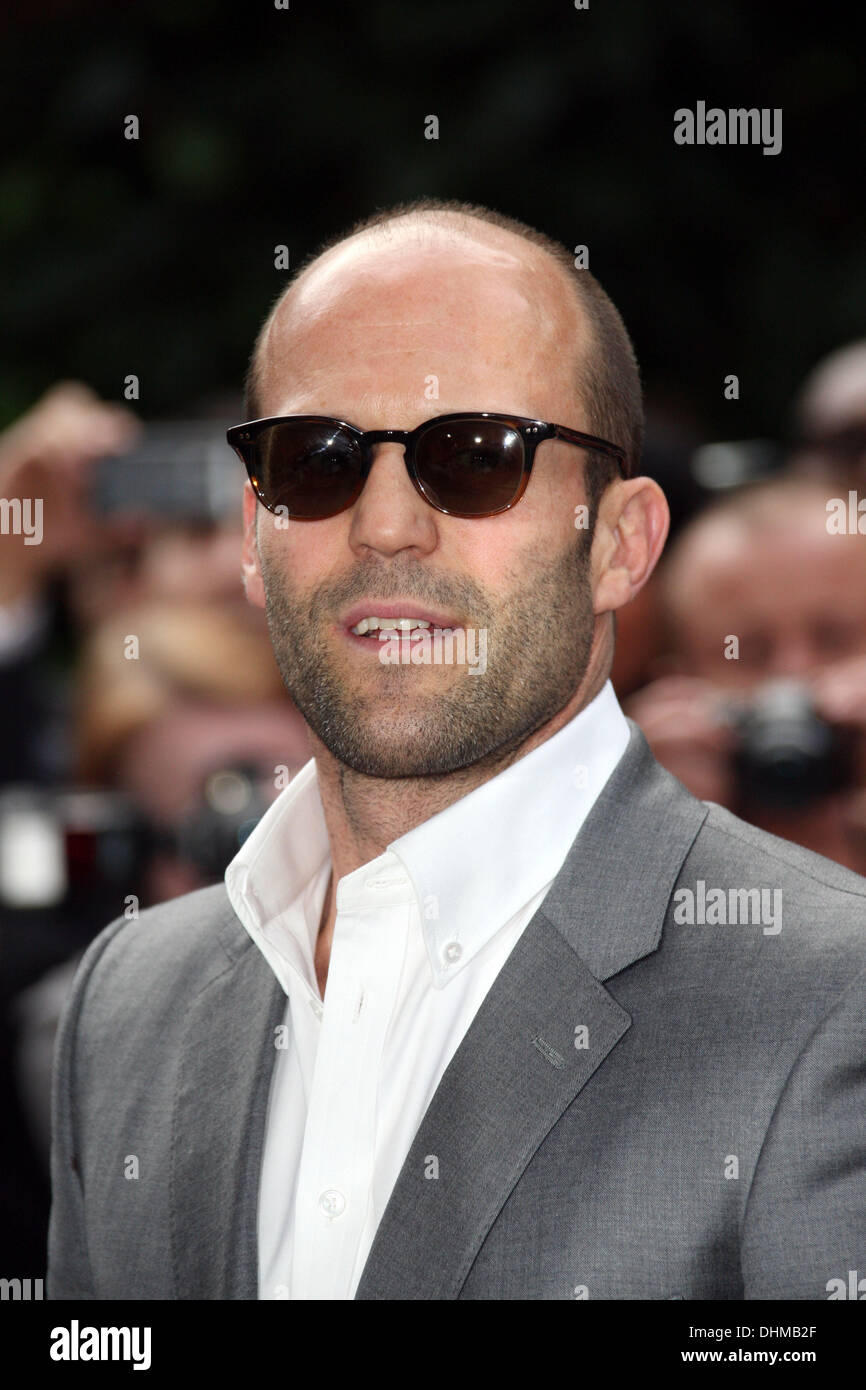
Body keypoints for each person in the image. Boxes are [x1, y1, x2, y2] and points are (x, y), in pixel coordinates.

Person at [47, 199, 866, 1301]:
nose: (385, 525)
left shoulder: (832, 996)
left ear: (620, 543)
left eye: (476, 456)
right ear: (252, 535)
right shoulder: (126, 1004)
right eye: (317, 461)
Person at [628, 477, 866, 873]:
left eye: (835, 640)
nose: (793, 679)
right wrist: (647, 837)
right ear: (677, 687)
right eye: (748, 654)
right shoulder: (648, 817)